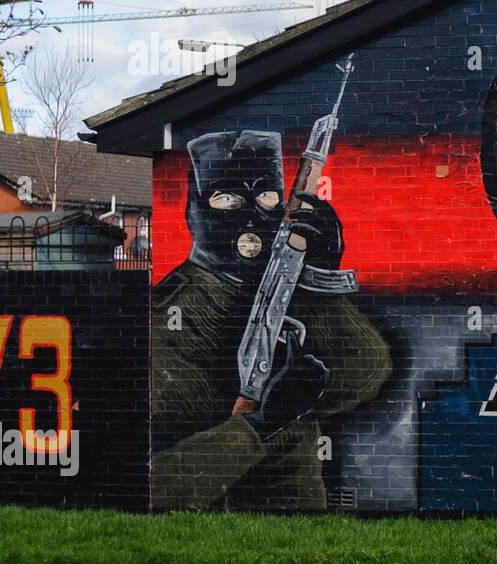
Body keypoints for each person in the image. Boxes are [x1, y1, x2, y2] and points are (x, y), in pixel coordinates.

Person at [152, 129, 390, 509]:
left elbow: (365, 373)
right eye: (226, 198)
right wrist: (255, 426)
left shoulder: (290, 293)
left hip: (296, 531)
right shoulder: (170, 315)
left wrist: (318, 280)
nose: (251, 214)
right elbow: (159, 485)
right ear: (194, 210)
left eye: (267, 196)